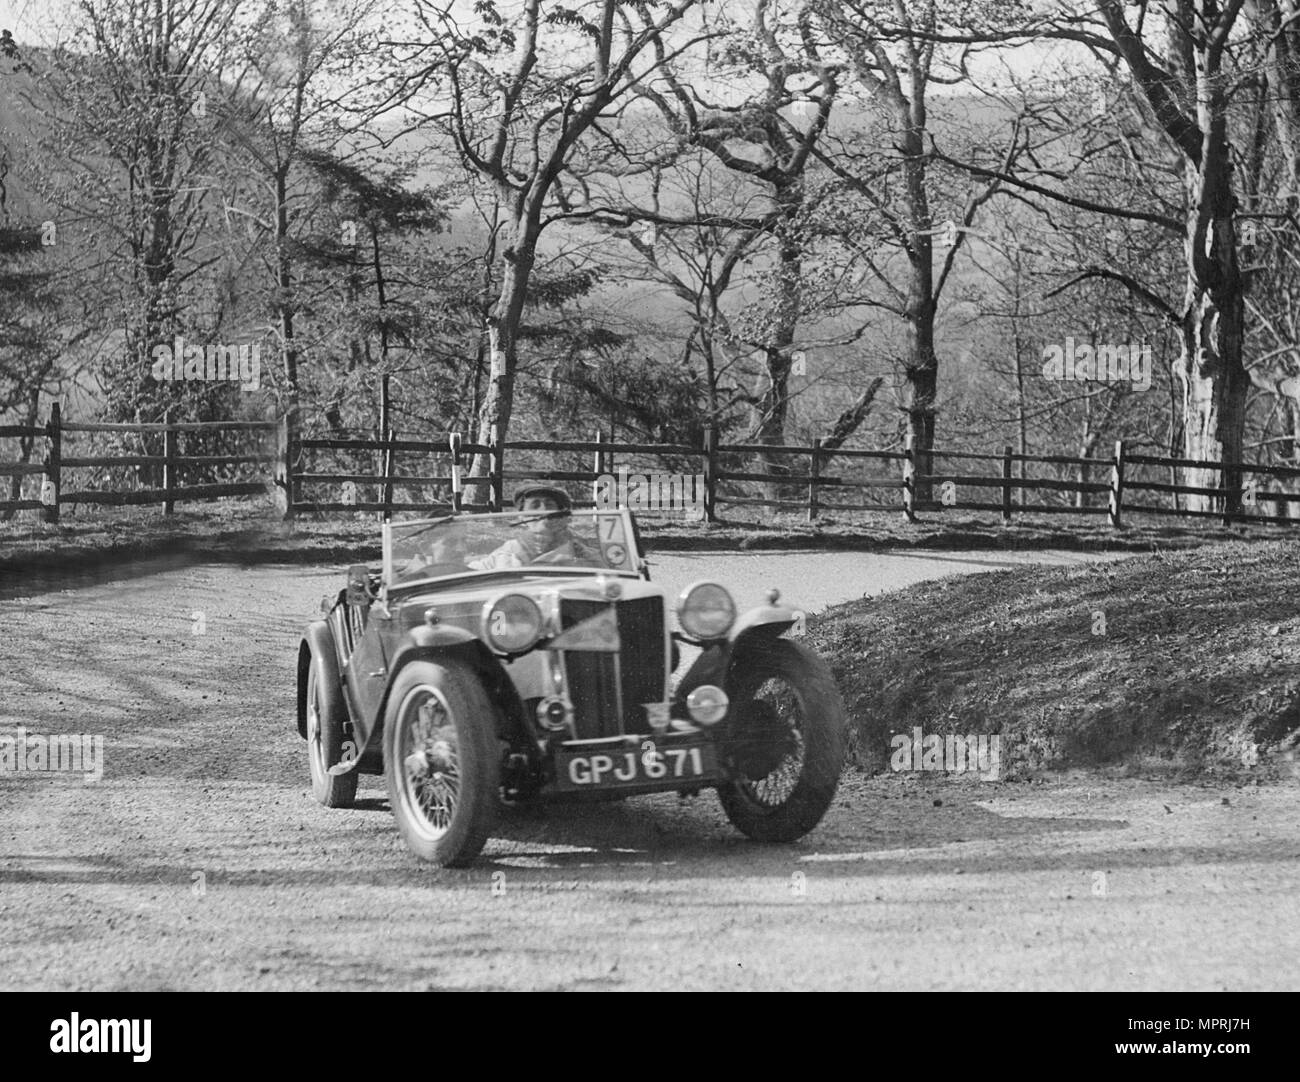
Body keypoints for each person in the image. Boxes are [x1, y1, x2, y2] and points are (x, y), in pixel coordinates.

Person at [469, 485, 601, 570]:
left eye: (549, 505)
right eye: (535, 505)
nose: (543, 510)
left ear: (562, 516)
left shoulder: (581, 555)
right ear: (522, 517)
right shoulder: (507, 552)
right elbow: (472, 573)